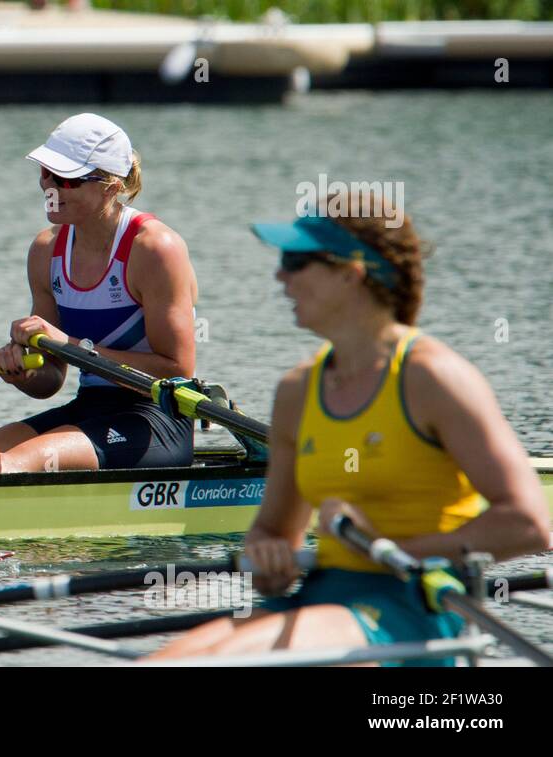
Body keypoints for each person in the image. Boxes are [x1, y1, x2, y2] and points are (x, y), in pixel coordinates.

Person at [148, 193, 550, 665]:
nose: (280, 276)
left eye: (296, 261)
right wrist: (269, 561)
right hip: (319, 594)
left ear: (350, 272)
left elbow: (530, 525)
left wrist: (389, 547)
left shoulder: (434, 378)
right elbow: (274, 532)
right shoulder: (297, 391)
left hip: (409, 607)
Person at [0, 113, 198, 475]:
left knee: (3, 466)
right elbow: (50, 381)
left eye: (66, 178)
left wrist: (67, 343)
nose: (49, 187)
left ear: (111, 187)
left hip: (154, 419)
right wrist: (20, 370)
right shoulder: (45, 251)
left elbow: (176, 369)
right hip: (88, 407)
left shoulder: (155, 249)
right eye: (45, 173)